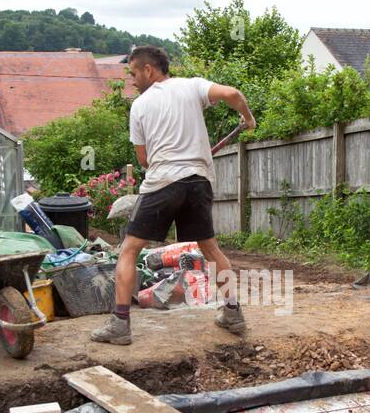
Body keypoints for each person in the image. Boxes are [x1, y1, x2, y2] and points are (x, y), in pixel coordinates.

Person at [91, 45, 255, 345]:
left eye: (134, 73)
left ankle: (120, 325)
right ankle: (233, 313)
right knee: (211, 249)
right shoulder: (192, 86)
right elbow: (233, 94)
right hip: (198, 182)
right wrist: (248, 118)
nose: (133, 80)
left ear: (148, 70)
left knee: (129, 250)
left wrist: (163, 159)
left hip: (164, 182)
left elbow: (143, 161)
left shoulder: (139, 106)